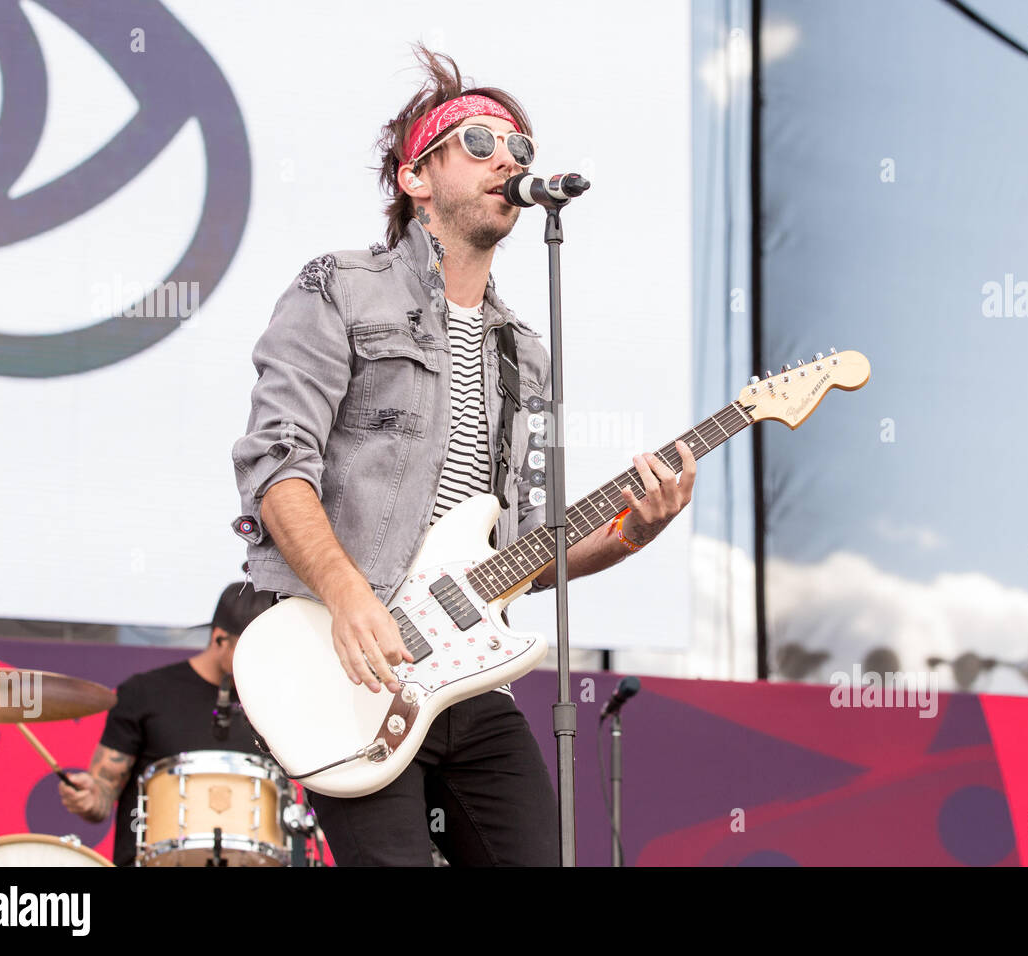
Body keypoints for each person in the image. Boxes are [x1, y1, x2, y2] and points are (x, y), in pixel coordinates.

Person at [229, 46, 695, 866]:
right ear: (416, 176)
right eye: (478, 143)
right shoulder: (339, 287)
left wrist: (633, 532)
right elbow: (276, 462)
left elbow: (530, 550)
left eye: (520, 148)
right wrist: (348, 595)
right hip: (353, 657)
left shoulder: (525, 354)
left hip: (470, 676)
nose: (507, 161)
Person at [58, 581, 275, 866]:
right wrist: (89, 796)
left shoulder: (273, 705)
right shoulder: (145, 693)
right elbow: (101, 795)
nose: (261, 659)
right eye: (251, 648)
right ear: (219, 639)